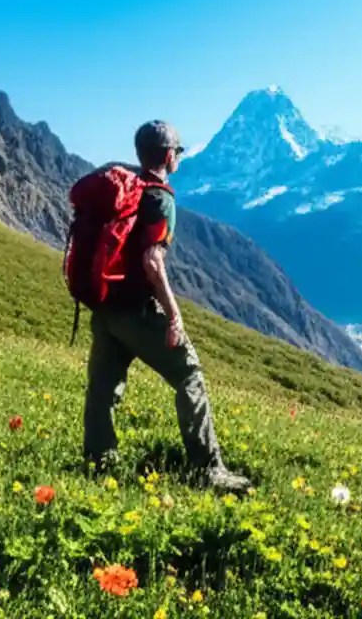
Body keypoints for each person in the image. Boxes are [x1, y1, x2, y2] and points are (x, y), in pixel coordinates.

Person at [81, 120, 252, 492]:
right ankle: (208, 471)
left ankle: (99, 461)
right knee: (189, 374)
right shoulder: (160, 197)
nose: (179, 158)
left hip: (105, 307)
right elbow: (152, 262)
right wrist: (174, 315)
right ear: (169, 155)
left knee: (103, 386)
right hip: (137, 311)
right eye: (178, 152)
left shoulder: (127, 189)